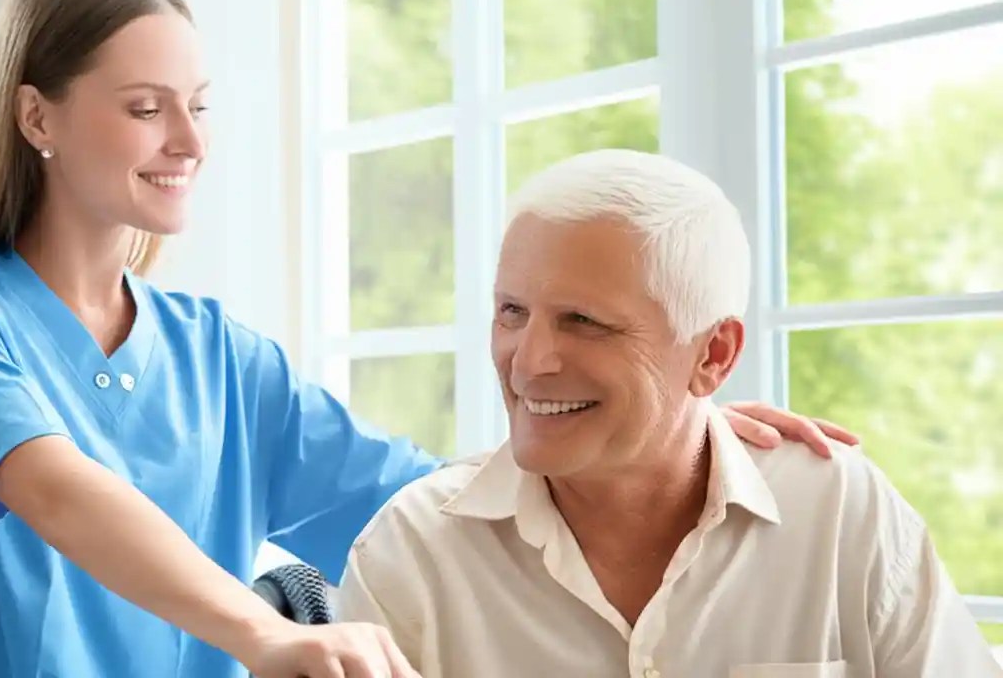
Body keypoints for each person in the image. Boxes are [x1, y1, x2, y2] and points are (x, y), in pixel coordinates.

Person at [0, 0, 860, 677]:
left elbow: (426, 499)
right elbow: (63, 494)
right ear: (38, 118)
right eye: (145, 106)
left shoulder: (217, 355)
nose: (188, 140)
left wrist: (655, 436)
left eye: (199, 105)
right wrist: (263, 634)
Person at [335, 149, 1000, 677]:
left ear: (713, 354)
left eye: (583, 322)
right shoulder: (412, 556)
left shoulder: (836, 511)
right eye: (512, 311)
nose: (528, 360)